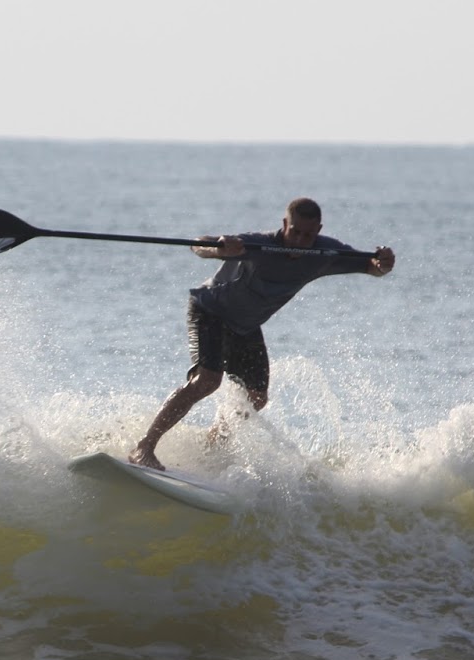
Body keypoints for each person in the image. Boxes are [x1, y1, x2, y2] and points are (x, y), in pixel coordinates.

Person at [129, 197, 395, 471]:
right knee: (208, 381)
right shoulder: (259, 244)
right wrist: (220, 246)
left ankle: (211, 449)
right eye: (295, 232)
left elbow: (371, 267)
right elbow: (199, 244)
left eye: (308, 235)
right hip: (211, 311)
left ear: (319, 230)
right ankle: (144, 447)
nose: (301, 241)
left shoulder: (325, 253)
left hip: (244, 326)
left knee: (256, 397)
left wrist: (383, 264)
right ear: (284, 225)